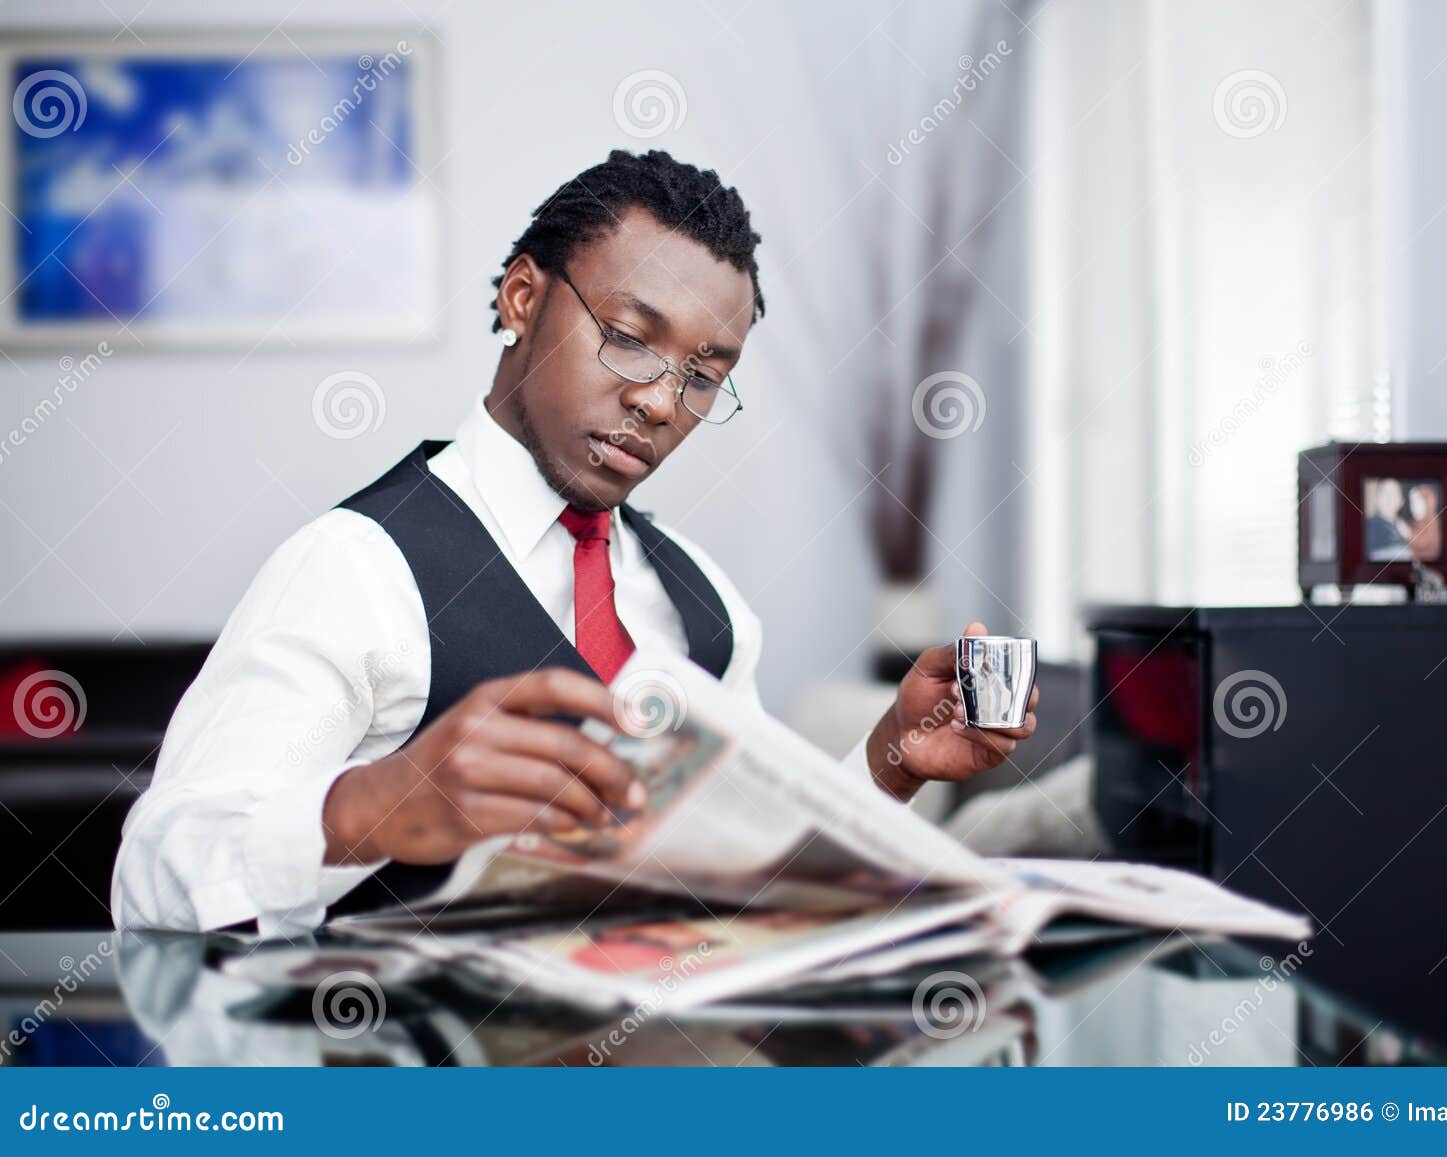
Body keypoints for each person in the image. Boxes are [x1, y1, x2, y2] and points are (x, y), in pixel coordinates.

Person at [112, 150, 1041, 937]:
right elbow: (154, 881)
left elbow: (753, 881)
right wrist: (379, 803)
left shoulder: (703, 600)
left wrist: (890, 758)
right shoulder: (357, 566)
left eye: (703, 377)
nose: (660, 402)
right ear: (523, 297)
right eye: (631, 340)